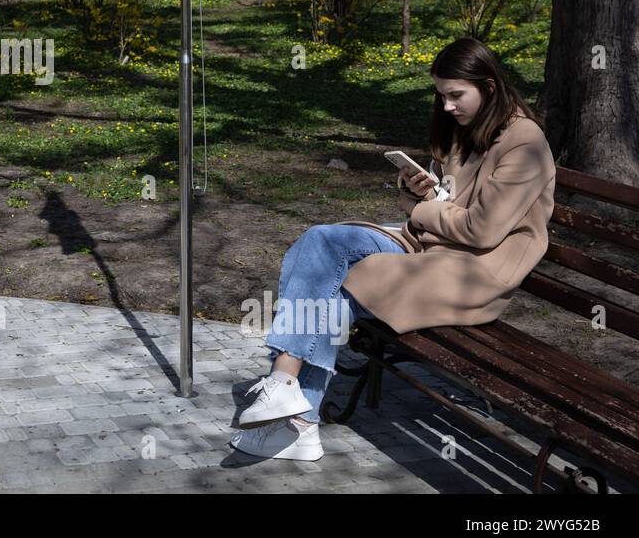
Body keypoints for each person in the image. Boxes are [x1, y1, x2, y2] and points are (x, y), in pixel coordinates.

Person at [229, 37, 557, 460]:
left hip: (474, 273)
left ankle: (298, 414)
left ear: (490, 86)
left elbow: (482, 231)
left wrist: (423, 207)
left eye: (456, 95)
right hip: (429, 248)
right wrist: (415, 190)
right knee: (321, 241)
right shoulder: (466, 129)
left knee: (343, 284)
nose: (447, 106)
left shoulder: (525, 143)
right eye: (441, 96)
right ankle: (287, 392)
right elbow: (437, 201)